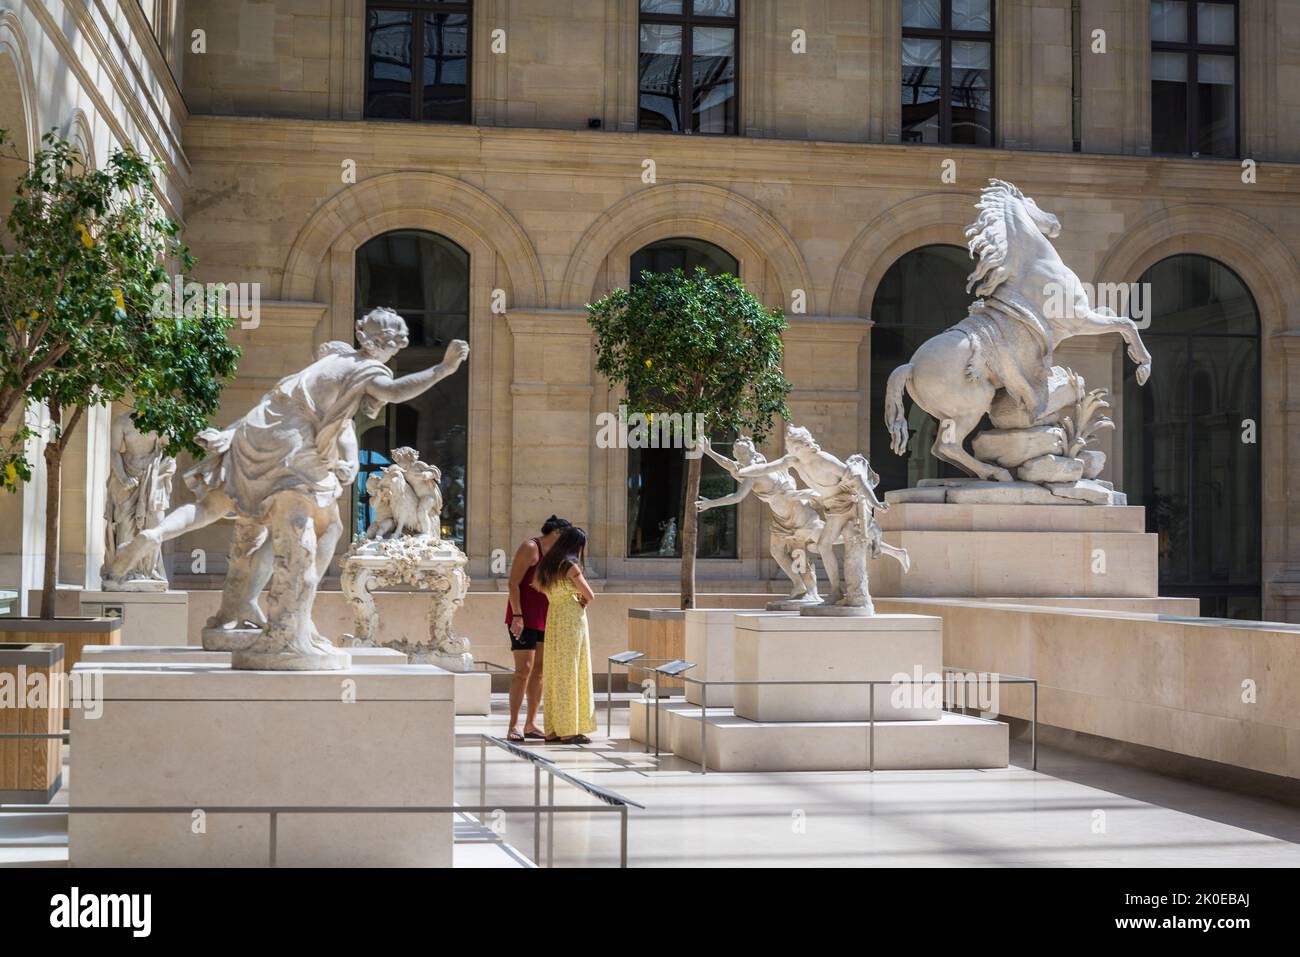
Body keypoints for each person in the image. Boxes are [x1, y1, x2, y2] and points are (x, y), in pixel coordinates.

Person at [504, 515, 571, 742]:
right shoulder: (530, 547)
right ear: (558, 533)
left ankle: (531, 724)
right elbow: (513, 583)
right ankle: (513, 724)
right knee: (523, 669)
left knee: (540, 671)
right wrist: (518, 615)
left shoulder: (558, 555)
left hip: (547, 617)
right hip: (523, 617)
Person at [532, 526, 596, 744]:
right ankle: (569, 729)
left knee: (555, 673)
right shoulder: (570, 565)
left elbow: (542, 590)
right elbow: (590, 594)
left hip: (554, 618)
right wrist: (579, 598)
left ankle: (552, 729)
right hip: (571, 620)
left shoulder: (548, 565)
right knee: (572, 671)